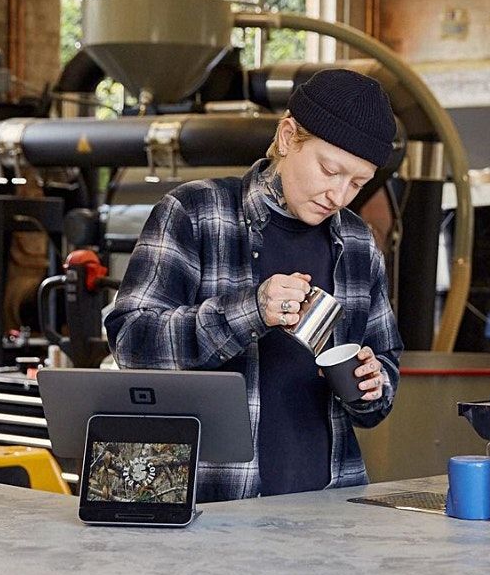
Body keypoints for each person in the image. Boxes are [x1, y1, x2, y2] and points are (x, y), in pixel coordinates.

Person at [105, 68, 402, 502]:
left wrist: (372, 385)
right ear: (287, 137)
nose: (338, 196)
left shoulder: (358, 243)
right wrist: (251, 310)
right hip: (213, 506)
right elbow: (131, 343)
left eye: (357, 183)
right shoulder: (196, 212)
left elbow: (383, 370)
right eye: (329, 170)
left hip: (331, 506)